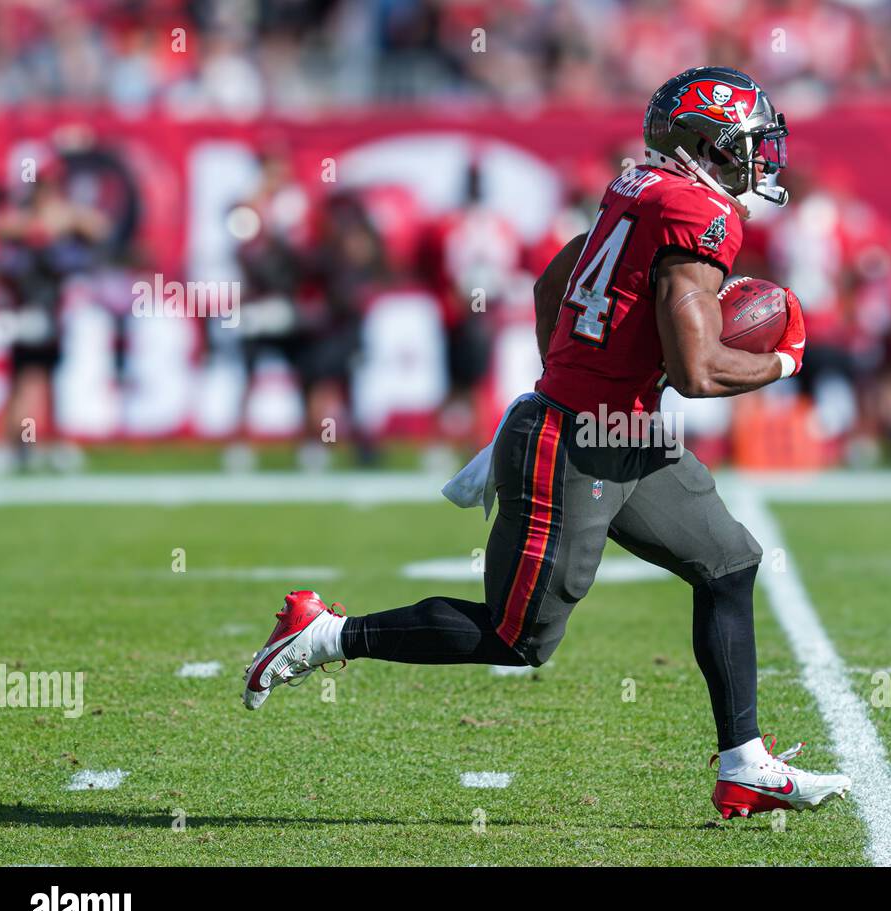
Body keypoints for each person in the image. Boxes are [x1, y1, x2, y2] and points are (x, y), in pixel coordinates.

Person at [241, 66, 850, 820]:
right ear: (705, 144)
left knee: (728, 563)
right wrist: (782, 360)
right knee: (516, 636)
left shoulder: (638, 189)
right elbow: (696, 371)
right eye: (747, 143)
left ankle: (744, 763)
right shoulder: (702, 216)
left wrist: (568, 378)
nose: (760, 157)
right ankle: (326, 634)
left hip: (620, 430)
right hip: (577, 443)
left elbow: (549, 289)